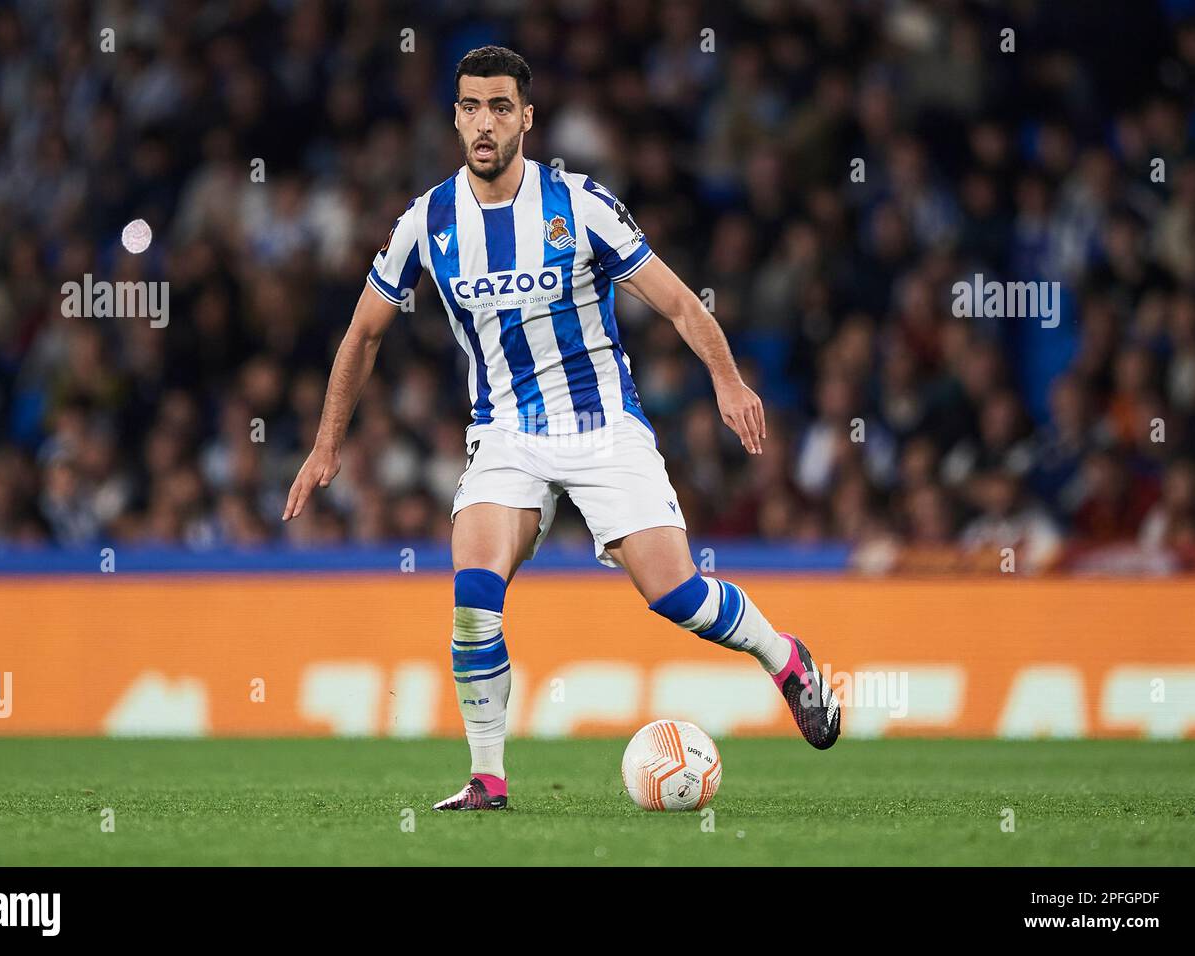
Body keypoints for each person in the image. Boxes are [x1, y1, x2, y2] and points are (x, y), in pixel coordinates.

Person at [282, 46, 838, 810]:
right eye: (471, 107)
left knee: (675, 595)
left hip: (603, 424)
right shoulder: (427, 220)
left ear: (527, 119)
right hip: (505, 434)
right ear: (455, 117)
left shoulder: (579, 205)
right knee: (474, 593)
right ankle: (487, 778)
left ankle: (787, 658)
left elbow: (678, 301)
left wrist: (727, 379)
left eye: (501, 107)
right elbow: (362, 333)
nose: (485, 122)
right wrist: (325, 444)